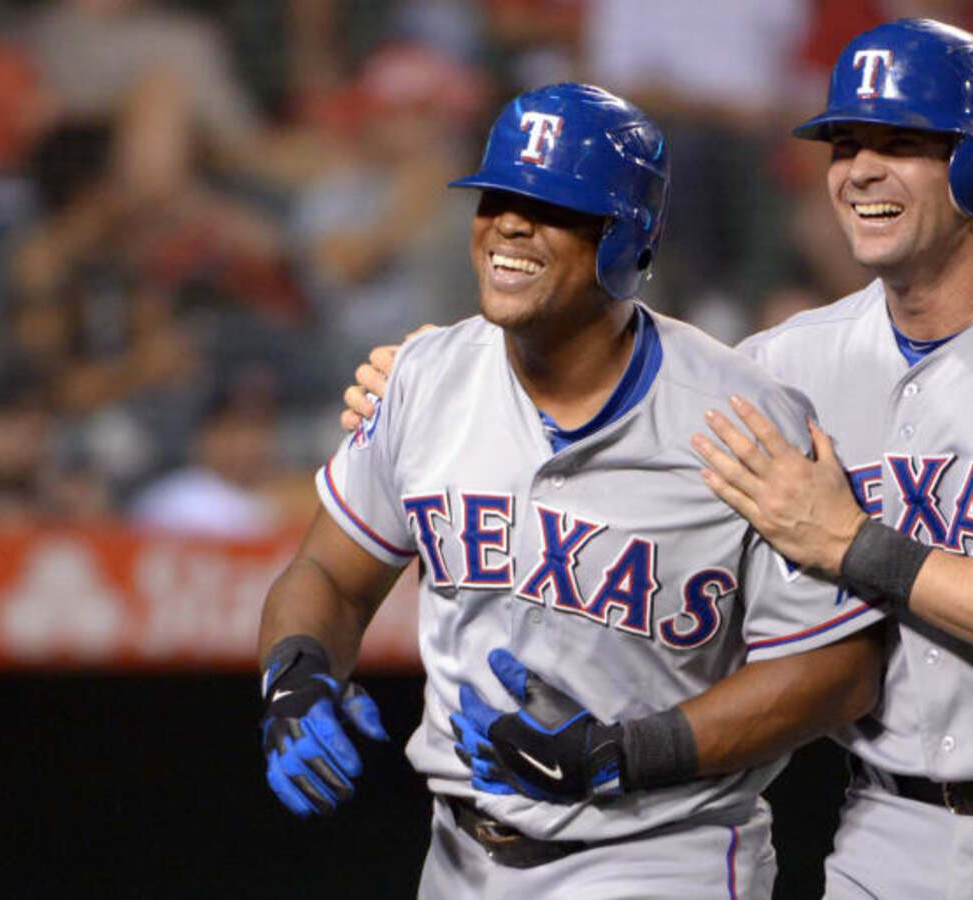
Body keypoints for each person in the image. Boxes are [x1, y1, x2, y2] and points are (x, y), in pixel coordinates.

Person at [344, 20, 973, 899]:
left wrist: (856, 544)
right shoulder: (787, 367)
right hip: (888, 829)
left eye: (898, 143)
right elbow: (624, 388)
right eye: (844, 144)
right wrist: (432, 371)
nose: (859, 169)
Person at [258, 82, 884, 899]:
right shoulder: (423, 378)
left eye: (551, 205)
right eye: (497, 198)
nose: (509, 224)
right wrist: (296, 674)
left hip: (660, 854)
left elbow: (838, 670)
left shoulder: (740, 419)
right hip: (457, 858)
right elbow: (329, 576)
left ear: (625, 239)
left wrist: (624, 751)